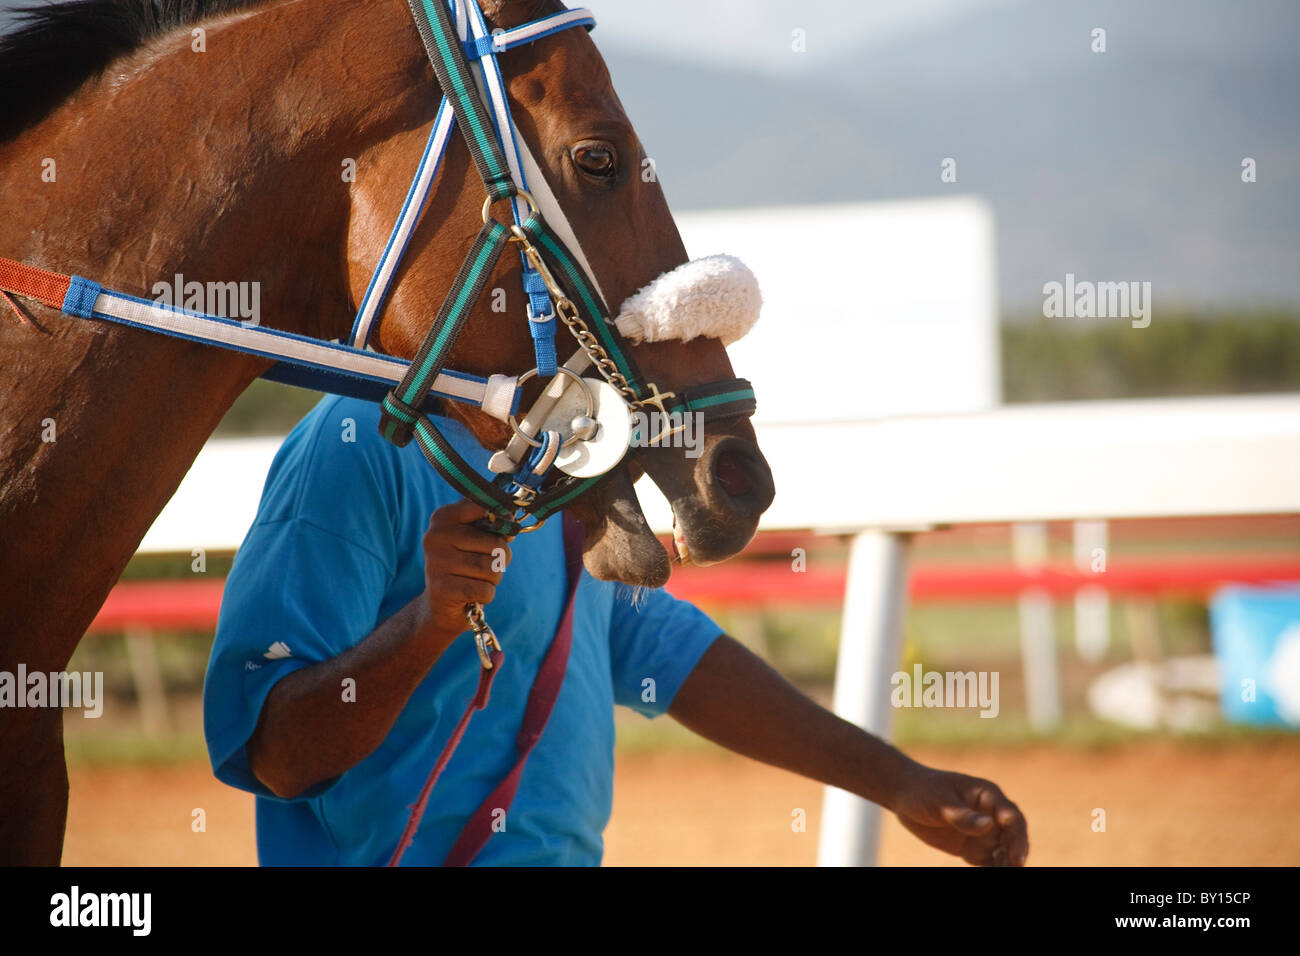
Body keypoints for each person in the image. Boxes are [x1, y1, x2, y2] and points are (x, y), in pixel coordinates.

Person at [203, 394, 1029, 866]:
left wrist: (897, 782)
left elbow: (668, 653)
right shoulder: (355, 444)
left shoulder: (564, 464)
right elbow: (278, 754)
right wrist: (428, 625)